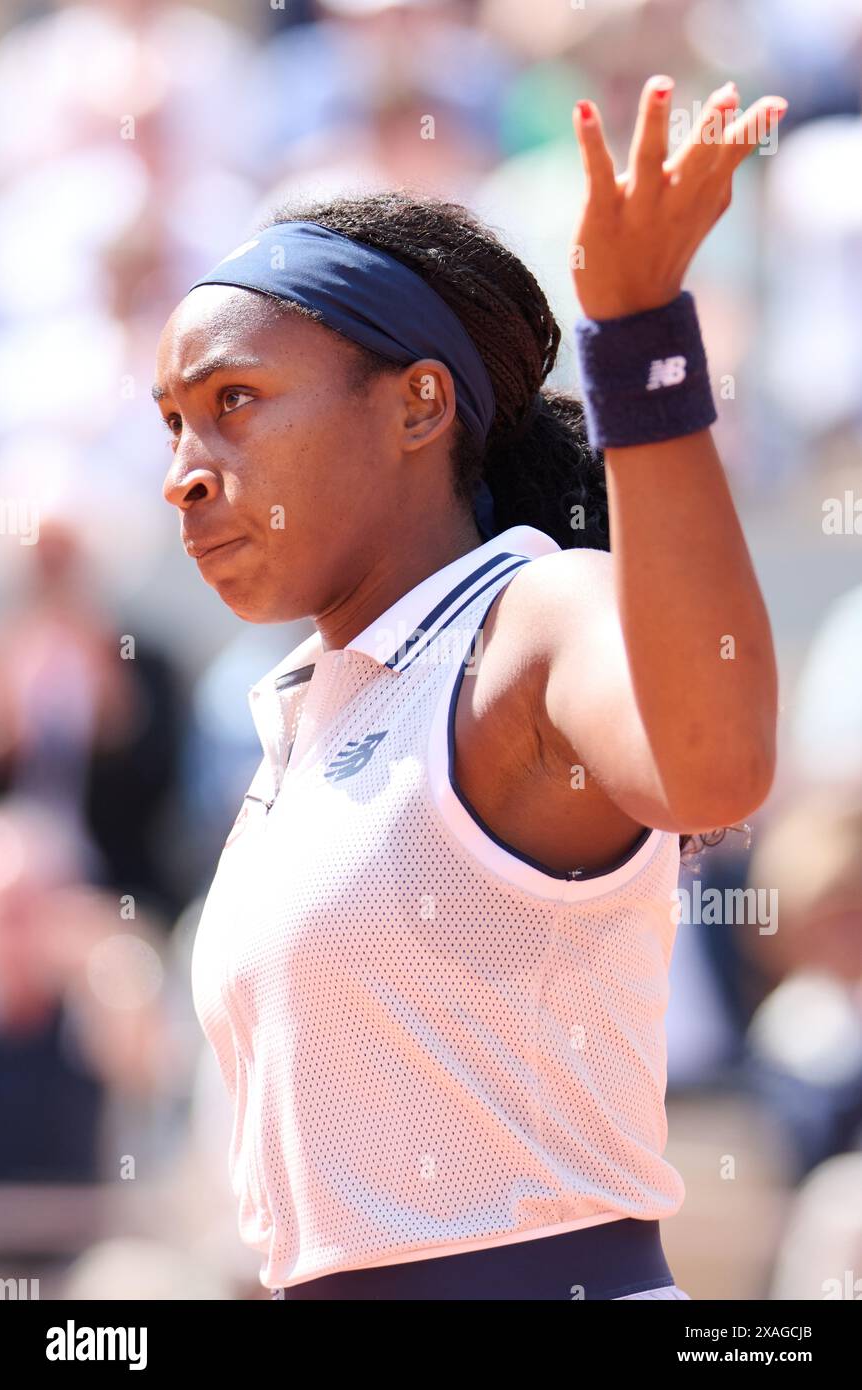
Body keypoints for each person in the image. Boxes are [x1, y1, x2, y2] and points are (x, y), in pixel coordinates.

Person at [152, 74, 783, 1299]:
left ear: (417, 404)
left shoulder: (531, 618)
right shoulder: (298, 710)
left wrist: (640, 332)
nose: (184, 469)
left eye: (234, 401)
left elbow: (714, 762)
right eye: (172, 422)